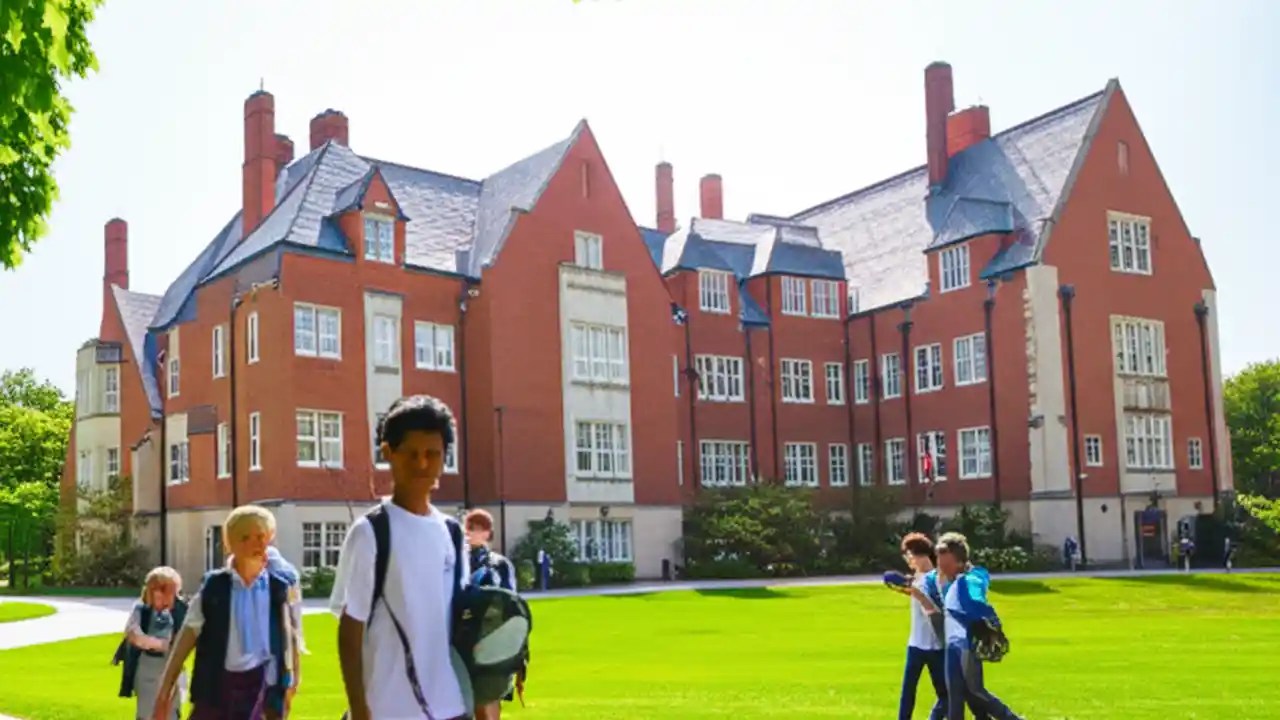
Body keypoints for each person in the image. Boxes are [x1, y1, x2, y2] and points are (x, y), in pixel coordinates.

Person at [331, 395, 471, 720]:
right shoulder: (371, 532)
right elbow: (350, 630)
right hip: (387, 710)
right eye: (411, 453)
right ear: (388, 453)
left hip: (451, 706)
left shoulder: (452, 532)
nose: (422, 463)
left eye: (432, 454)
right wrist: (359, 709)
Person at [152, 505, 302, 720]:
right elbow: (186, 637)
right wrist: (165, 689)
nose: (256, 544)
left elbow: (289, 636)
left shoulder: (279, 588)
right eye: (245, 538)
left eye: (261, 536)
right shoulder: (214, 588)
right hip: (218, 687)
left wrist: (293, 678)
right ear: (230, 544)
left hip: (263, 688)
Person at [935, 532, 1024, 720]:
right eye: (940, 563)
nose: (941, 567)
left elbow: (976, 601)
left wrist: (992, 621)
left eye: (946, 564)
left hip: (966, 645)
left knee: (975, 691)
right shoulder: (950, 581)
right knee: (955, 698)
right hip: (953, 646)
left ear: (959, 563)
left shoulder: (968, 580)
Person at [465, 509, 519, 719]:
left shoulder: (499, 564)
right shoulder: (457, 561)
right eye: (469, 527)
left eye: (478, 529)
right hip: (462, 640)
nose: (472, 533)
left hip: (491, 641)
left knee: (488, 699)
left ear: (488, 533)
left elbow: (509, 602)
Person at [116, 566, 187, 719]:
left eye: (169, 591)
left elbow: (182, 640)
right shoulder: (141, 609)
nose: (164, 597)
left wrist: (160, 644)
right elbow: (134, 635)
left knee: (171, 713)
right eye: (158, 591)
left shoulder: (182, 610)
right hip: (147, 668)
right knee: (147, 713)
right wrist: (162, 644)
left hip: (171, 669)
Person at [893, 533, 946, 720]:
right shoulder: (917, 577)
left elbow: (934, 609)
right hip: (915, 644)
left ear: (919, 555)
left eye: (909, 555)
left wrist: (915, 593)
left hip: (935, 646)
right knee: (907, 693)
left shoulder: (937, 579)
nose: (908, 559)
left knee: (945, 695)